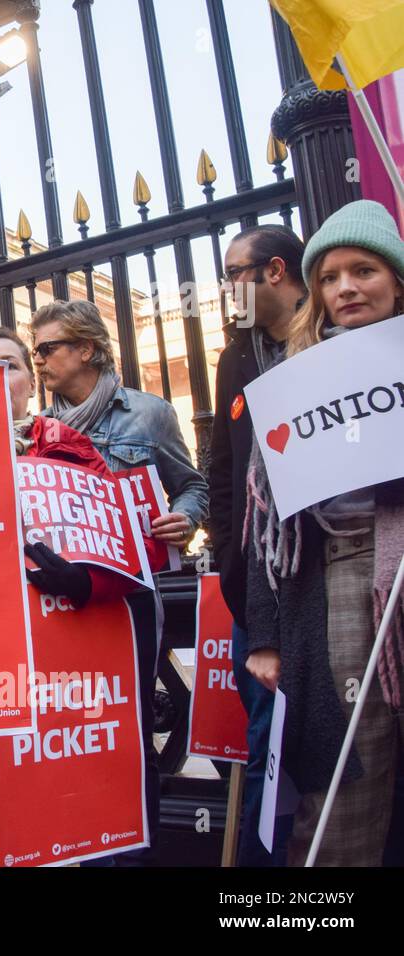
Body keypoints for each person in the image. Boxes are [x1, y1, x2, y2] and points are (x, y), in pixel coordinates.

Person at [0, 326, 150, 866]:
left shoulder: (70, 447)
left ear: (29, 383)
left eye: (10, 365)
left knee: (84, 816)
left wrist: (86, 583)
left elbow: (127, 552)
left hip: (71, 663)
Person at [244, 199, 404, 866]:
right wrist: (267, 636)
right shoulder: (292, 383)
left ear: (396, 280)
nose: (344, 288)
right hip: (337, 582)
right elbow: (263, 520)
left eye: (363, 270)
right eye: (329, 277)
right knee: (347, 782)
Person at [30, 299, 208, 860]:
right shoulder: (37, 429)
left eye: (47, 348)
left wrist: (187, 518)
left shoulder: (148, 415)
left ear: (86, 349)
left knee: (127, 731)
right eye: (34, 351)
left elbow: (194, 485)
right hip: (64, 600)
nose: (38, 362)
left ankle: (132, 843)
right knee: (74, 729)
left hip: (130, 597)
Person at [209, 224, 306, 866]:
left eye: (234, 273)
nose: (226, 289)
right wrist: (229, 557)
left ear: (274, 271)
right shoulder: (236, 356)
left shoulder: (327, 339)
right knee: (267, 753)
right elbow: (220, 466)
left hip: (321, 576)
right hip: (256, 590)